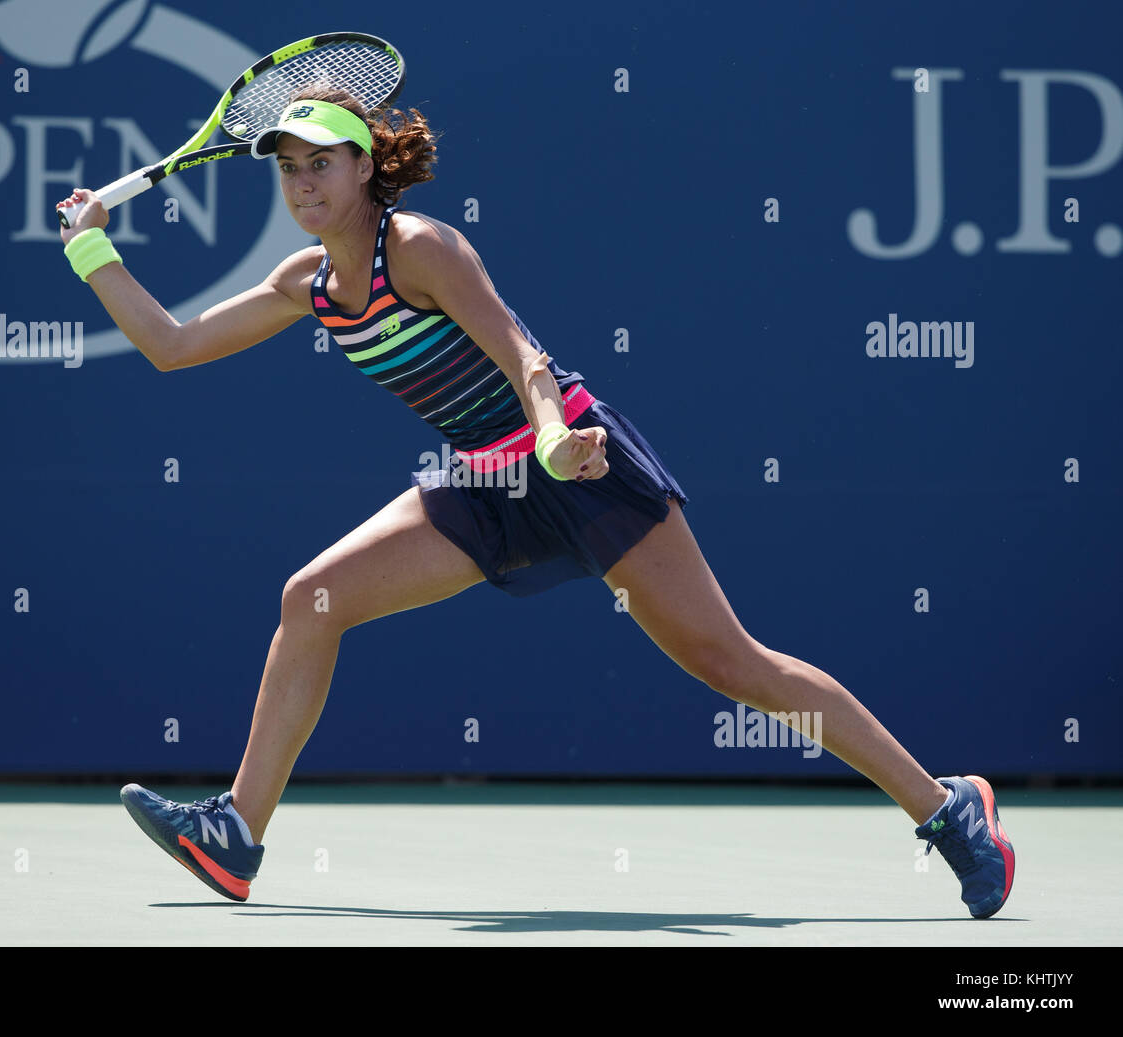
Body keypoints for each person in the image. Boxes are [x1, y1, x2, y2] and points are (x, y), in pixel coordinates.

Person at [56, 88, 1014, 918]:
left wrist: (553, 435)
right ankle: (237, 834)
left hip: (574, 461)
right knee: (313, 595)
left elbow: (521, 351)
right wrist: (93, 246)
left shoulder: (422, 247)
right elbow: (173, 346)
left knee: (733, 664)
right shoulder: (304, 282)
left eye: (322, 164)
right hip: (483, 479)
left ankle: (946, 804)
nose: (303, 184)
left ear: (365, 168)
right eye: (289, 169)